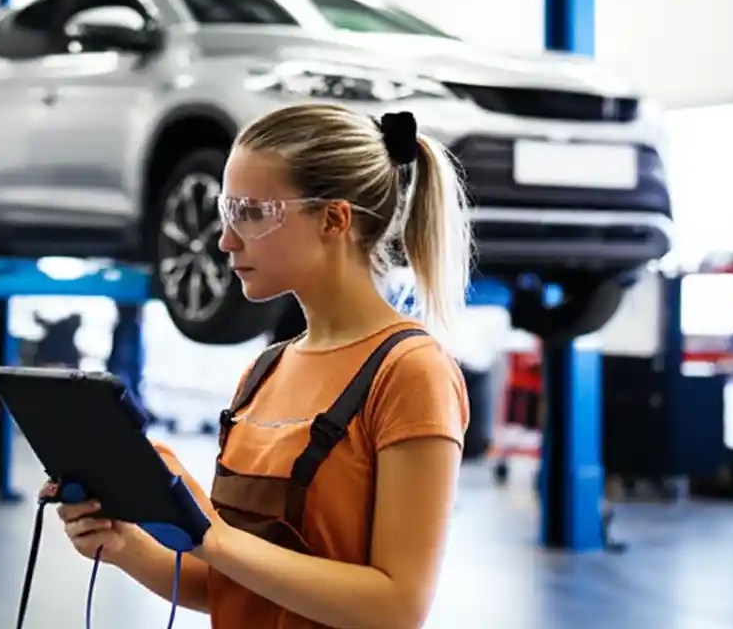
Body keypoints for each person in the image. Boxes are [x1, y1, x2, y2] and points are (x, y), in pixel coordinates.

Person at [51, 105, 472, 629]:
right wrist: (126, 545)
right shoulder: (263, 373)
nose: (226, 240)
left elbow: (395, 608)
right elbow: (233, 584)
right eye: (228, 212)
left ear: (333, 219)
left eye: (250, 213)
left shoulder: (410, 373)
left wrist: (210, 535)